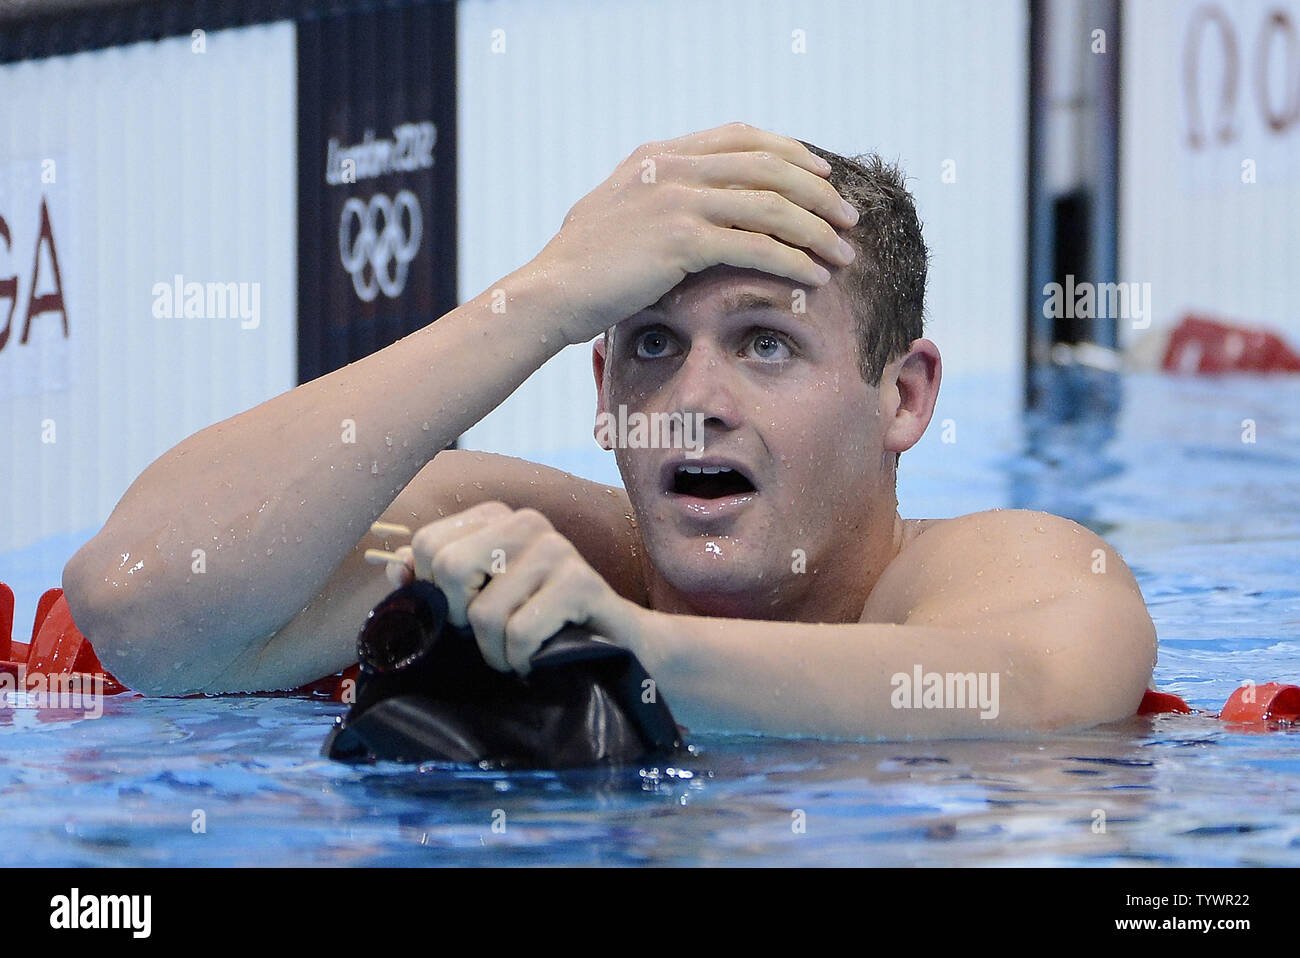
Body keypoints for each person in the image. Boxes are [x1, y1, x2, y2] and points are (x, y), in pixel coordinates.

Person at [62, 122, 1156, 738]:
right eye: (649, 344)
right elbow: (141, 607)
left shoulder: (995, 569)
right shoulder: (518, 545)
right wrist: (538, 296)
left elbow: (1034, 697)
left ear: (903, 398)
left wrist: (636, 655)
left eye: (765, 343)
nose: (696, 394)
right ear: (600, 387)